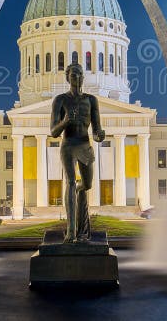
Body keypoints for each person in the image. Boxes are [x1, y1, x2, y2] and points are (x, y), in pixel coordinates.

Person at [50, 62, 105, 243]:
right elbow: (54, 132)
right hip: (68, 145)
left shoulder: (91, 100)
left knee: (86, 186)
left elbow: (96, 130)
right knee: (71, 183)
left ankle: (81, 221)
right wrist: (66, 121)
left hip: (84, 144)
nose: (77, 78)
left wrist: (99, 135)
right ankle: (71, 232)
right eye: (73, 75)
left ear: (84, 77)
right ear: (67, 78)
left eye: (80, 74)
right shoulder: (60, 100)